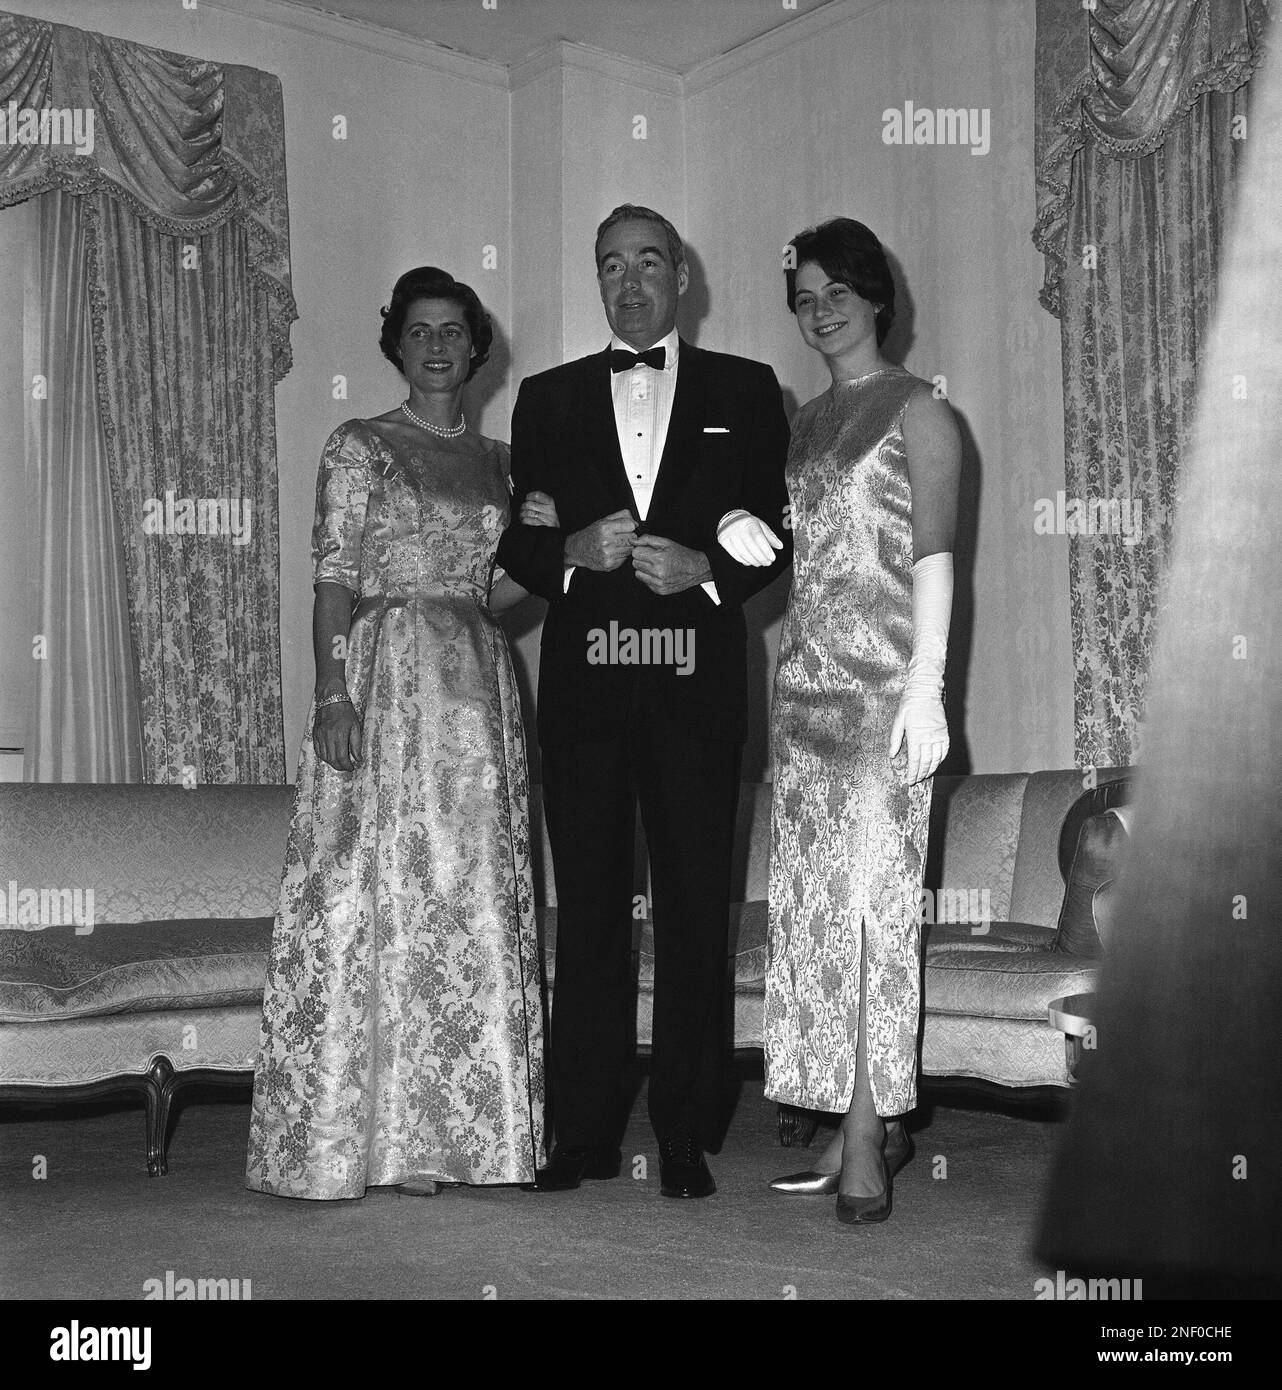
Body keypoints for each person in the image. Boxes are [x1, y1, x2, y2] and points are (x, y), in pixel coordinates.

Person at [495, 204, 792, 1198]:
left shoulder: (749, 391)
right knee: (586, 911)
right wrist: (569, 558)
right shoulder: (543, 397)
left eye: (649, 262)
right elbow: (518, 539)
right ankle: (579, 1131)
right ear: (599, 281)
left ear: (683, 279)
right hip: (584, 694)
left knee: (692, 908)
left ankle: (685, 1127)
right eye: (611, 265)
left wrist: (708, 568)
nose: (630, 281)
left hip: (694, 689)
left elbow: (783, 530)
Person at [246, 267, 547, 1199]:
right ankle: (360, 1134)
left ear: (476, 345)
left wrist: (548, 547)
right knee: (370, 889)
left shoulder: (505, 463)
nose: (437, 346)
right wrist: (331, 688)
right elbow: (333, 572)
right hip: (381, 675)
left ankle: (456, 1133)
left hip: (477, 682)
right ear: (396, 343)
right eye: (420, 331)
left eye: (453, 330)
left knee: (468, 894)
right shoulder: (360, 445)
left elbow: (504, 594)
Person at [725, 218, 960, 1224]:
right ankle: (848, 1113)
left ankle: (870, 1132)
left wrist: (927, 688)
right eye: (804, 297)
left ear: (874, 297)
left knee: (873, 920)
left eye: (837, 294)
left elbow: (933, 556)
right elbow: (806, 550)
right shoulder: (805, 423)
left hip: (882, 706)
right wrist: (747, 539)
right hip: (803, 703)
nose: (819, 312)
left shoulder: (921, 410)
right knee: (815, 925)